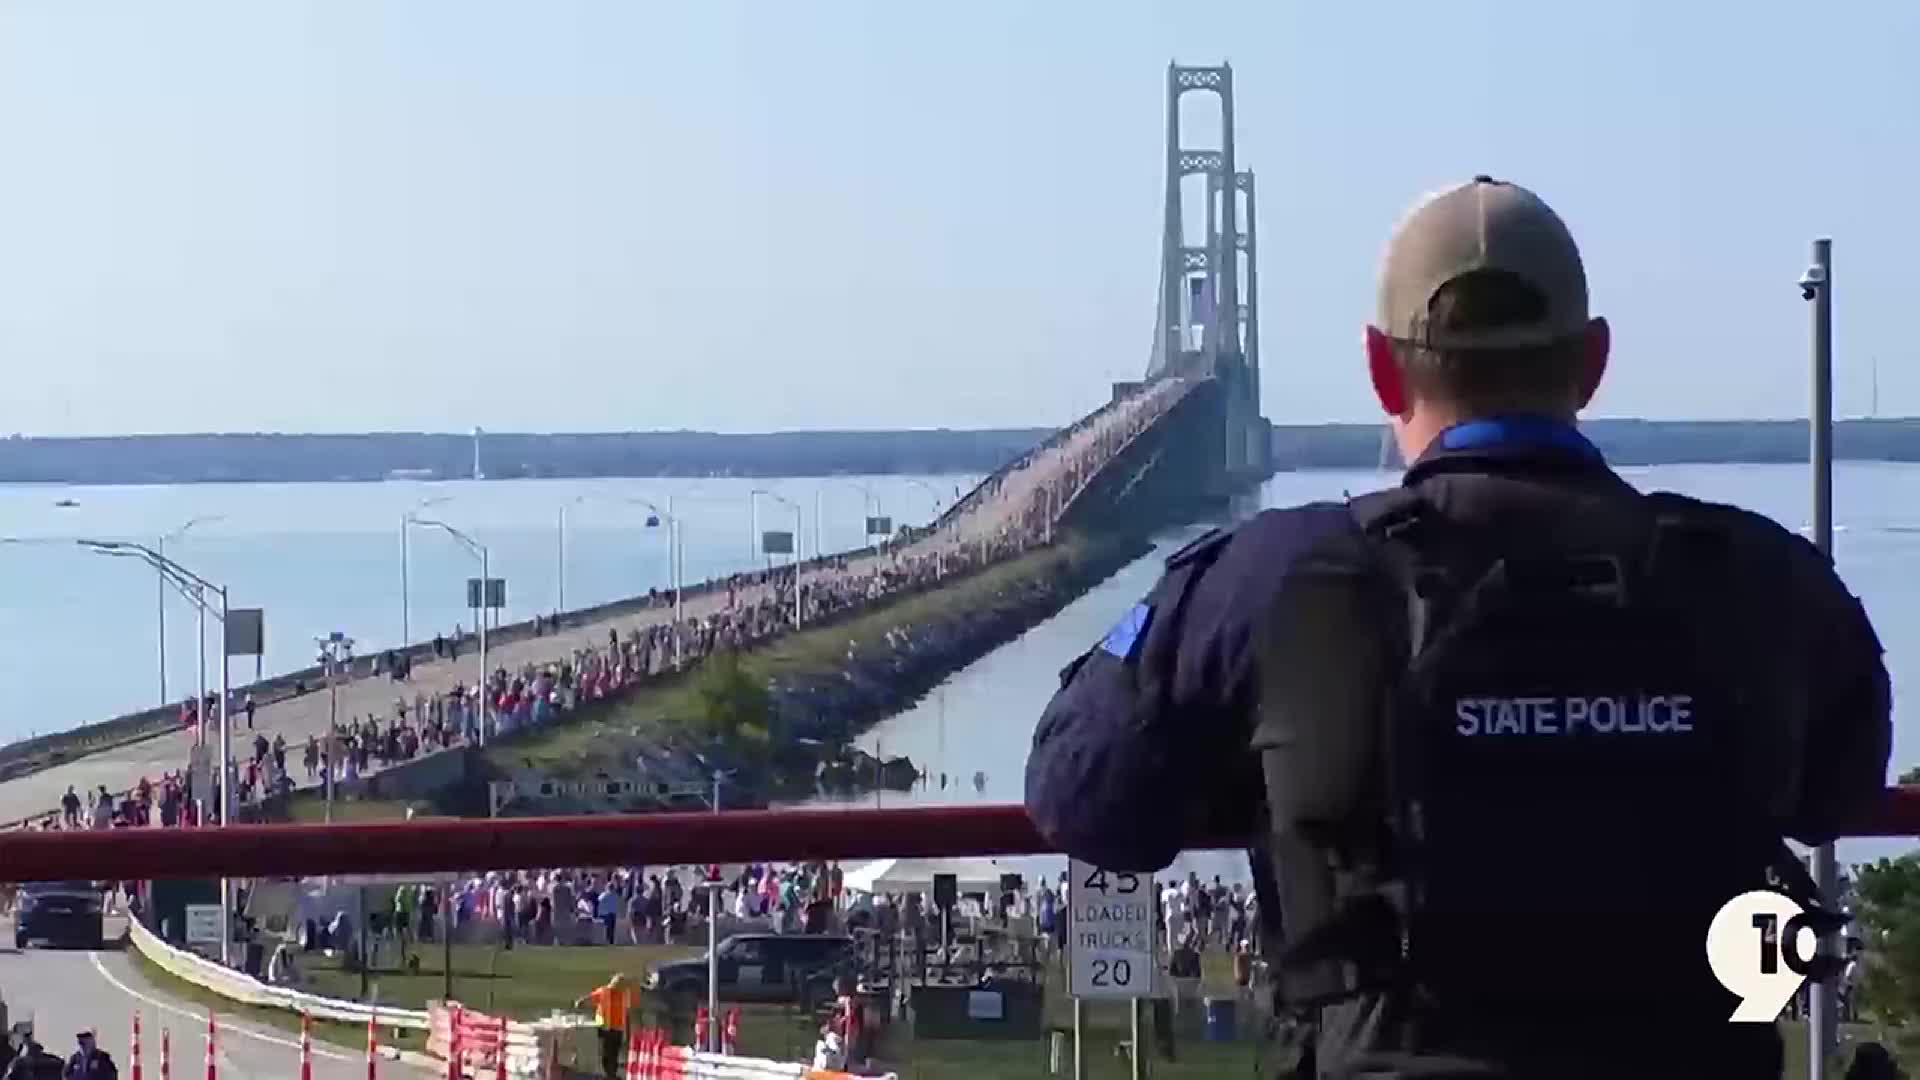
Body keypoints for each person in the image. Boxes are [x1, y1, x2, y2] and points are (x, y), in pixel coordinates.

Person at [1025, 176, 1892, 1078]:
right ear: (1593, 362)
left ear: (1378, 366)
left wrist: (1280, 770)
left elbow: (1082, 799)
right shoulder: (1758, 579)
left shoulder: (1277, 579)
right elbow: (1836, 794)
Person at [573, 973, 633, 1080]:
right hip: (604, 1027)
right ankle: (609, 1074)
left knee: (613, 1053)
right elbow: (590, 998)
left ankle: (611, 1075)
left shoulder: (624, 995)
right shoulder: (604, 992)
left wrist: (627, 1032)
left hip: (617, 1029)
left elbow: (627, 1013)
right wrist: (580, 1002)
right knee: (607, 1053)